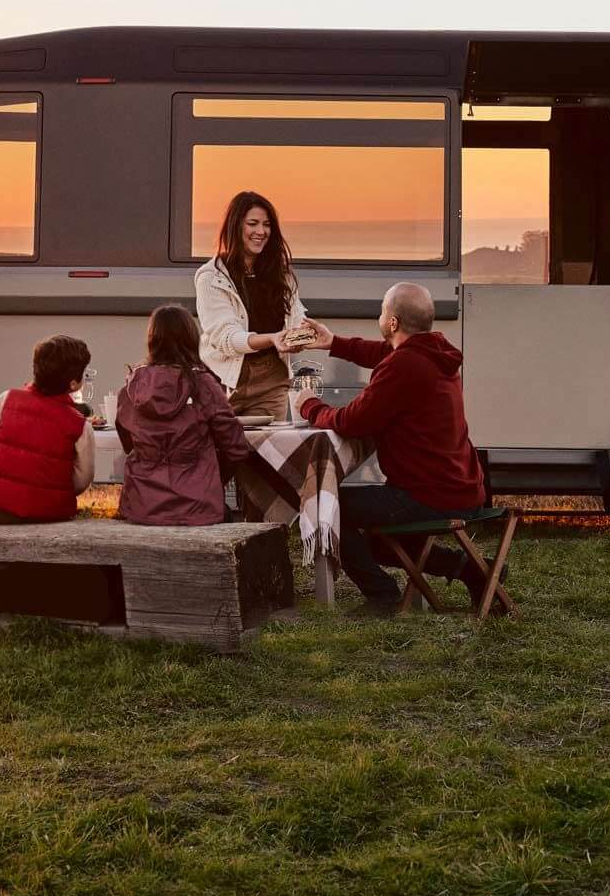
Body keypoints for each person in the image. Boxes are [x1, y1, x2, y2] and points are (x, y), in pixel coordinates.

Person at [296, 283, 494, 614]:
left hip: (427, 494)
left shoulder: (404, 366)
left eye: (383, 310)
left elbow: (351, 422)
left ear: (392, 322)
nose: (380, 316)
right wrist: (333, 343)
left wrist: (309, 406)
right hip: (461, 487)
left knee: (324, 504)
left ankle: (382, 595)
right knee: (377, 539)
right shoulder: (434, 352)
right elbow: (384, 355)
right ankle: (472, 570)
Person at [115, 305, 255, 527]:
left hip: (142, 507)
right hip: (198, 506)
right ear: (192, 338)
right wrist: (210, 477)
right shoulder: (203, 384)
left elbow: (128, 442)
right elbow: (236, 448)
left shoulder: (132, 388)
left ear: (151, 340)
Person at [196, 190, 319, 419]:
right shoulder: (211, 277)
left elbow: (295, 319)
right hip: (223, 383)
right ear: (235, 226)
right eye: (253, 223)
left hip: (271, 384)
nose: (261, 232)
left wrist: (303, 334)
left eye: (267, 225)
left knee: (268, 453)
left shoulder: (281, 275)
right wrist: (273, 338)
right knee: (222, 452)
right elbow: (226, 338)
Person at [0, 334, 98, 524]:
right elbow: (83, 478)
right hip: (51, 513)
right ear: (73, 383)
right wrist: (56, 491)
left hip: (0, 508)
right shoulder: (81, 425)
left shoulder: (4, 400)